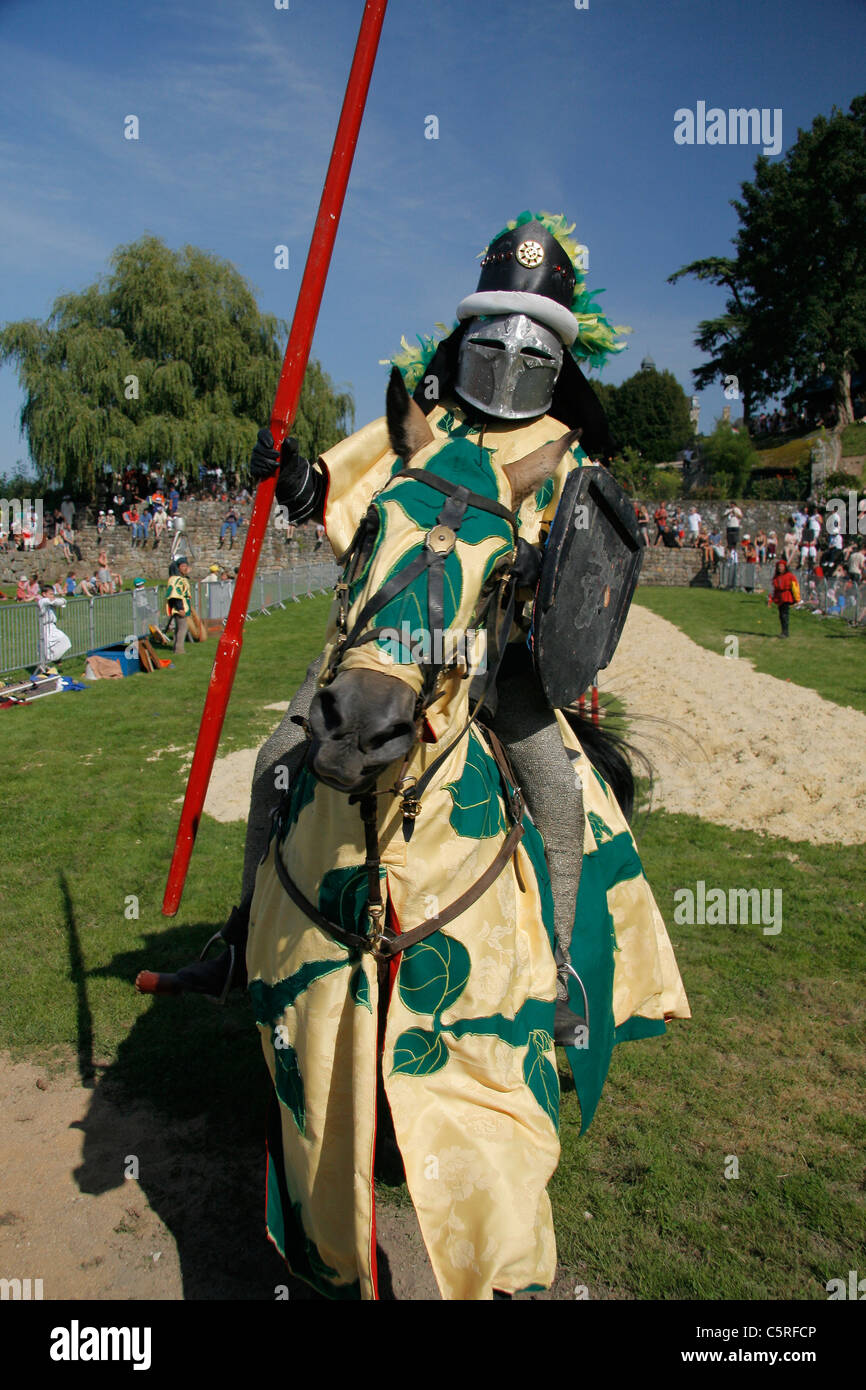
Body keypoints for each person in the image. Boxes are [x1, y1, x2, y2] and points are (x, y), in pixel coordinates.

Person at [165, 557, 192, 652]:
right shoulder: (176, 579)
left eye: (186, 566)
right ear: (178, 567)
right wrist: (180, 608)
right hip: (179, 608)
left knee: (179, 628)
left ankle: (176, 647)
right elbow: (175, 595)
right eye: (183, 566)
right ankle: (179, 649)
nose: (185, 568)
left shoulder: (180, 578)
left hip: (182, 606)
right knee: (183, 628)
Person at [769, 557, 797, 637]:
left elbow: (795, 587)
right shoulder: (777, 577)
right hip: (780, 596)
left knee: (784, 614)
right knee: (781, 615)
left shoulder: (790, 576)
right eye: (779, 566)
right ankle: (783, 631)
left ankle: (785, 632)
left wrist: (796, 598)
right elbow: (774, 588)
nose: (780, 568)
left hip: (786, 596)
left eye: (781, 566)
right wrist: (772, 598)